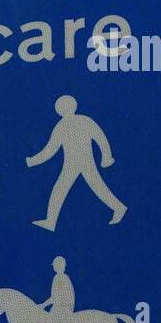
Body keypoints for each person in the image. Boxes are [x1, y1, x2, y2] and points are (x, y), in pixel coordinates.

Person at [27, 95, 126, 231]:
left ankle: (119, 208)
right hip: (75, 164)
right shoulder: (83, 121)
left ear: (59, 109)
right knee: (88, 188)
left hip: (78, 163)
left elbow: (50, 150)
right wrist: (106, 157)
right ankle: (50, 221)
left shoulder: (63, 125)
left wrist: (31, 161)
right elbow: (101, 139)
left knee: (67, 189)